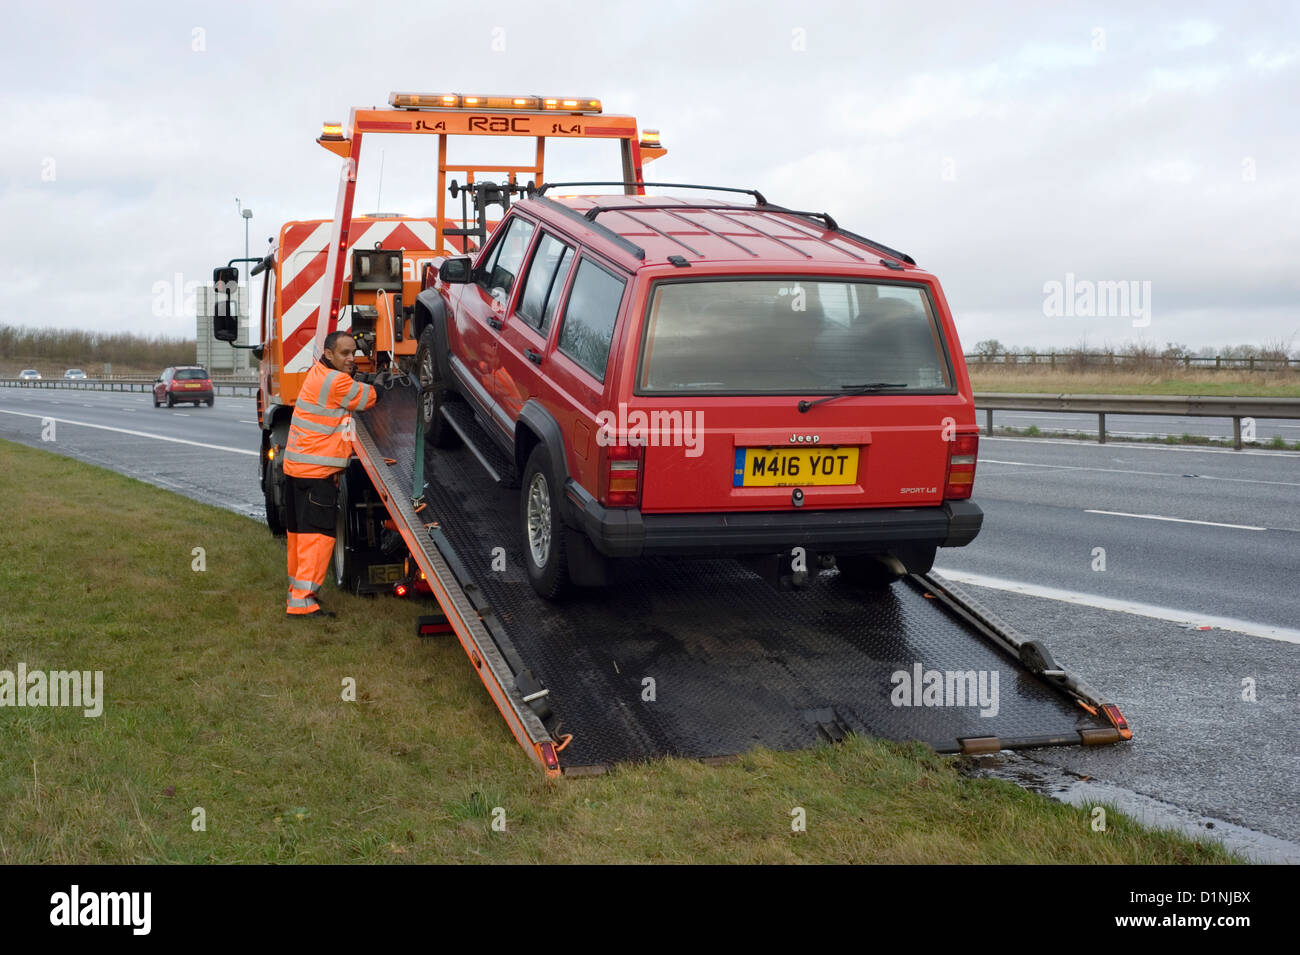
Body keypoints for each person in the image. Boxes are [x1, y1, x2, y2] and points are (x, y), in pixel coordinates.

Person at [282, 331, 378, 618]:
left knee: (299, 536)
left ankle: (296, 592)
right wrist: (380, 385)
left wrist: (357, 377)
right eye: (345, 354)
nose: (351, 358)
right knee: (317, 538)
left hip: (298, 469)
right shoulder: (335, 381)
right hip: (317, 473)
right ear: (328, 354)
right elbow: (367, 399)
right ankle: (303, 602)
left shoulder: (317, 373)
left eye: (353, 352)